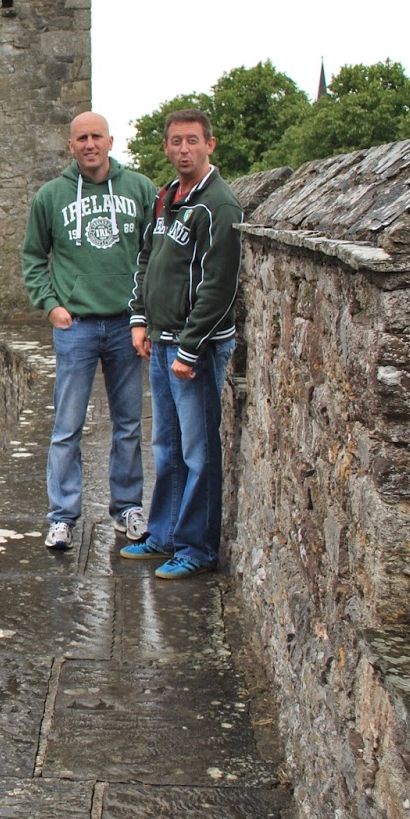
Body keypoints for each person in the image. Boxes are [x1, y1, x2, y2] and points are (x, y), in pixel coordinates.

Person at [23, 111, 158, 551]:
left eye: (96, 136)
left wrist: (146, 314)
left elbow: (155, 253)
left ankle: (128, 508)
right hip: (76, 325)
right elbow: (33, 256)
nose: (89, 144)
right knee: (67, 425)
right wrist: (51, 305)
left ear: (110, 141)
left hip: (126, 323)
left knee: (128, 423)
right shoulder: (51, 196)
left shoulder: (139, 189)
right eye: (81, 138)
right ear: (70, 145)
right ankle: (62, 516)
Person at [122, 108, 243, 579]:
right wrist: (141, 319)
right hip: (161, 341)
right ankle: (166, 533)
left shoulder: (219, 205)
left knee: (198, 452)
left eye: (192, 140)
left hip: (197, 349)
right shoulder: (167, 197)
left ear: (210, 145)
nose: (183, 150)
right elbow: (147, 260)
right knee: (166, 447)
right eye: (175, 141)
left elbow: (220, 285)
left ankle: (197, 547)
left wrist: (191, 348)